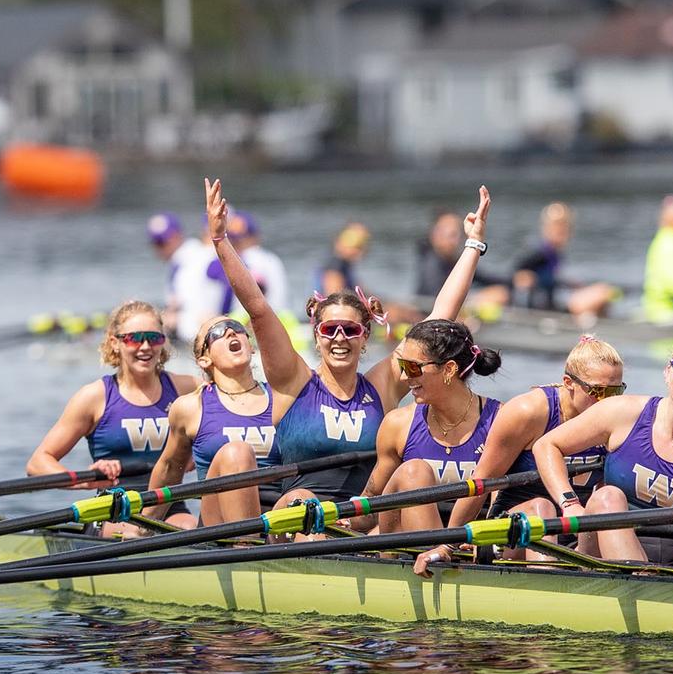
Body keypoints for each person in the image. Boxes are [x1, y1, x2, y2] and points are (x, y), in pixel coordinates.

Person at [205, 177, 490, 508]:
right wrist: (220, 238)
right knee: (302, 498)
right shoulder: (293, 380)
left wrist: (474, 244)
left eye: (351, 330)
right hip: (296, 512)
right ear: (317, 335)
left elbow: (440, 316)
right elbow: (257, 308)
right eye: (330, 330)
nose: (339, 338)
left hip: (360, 519)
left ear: (365, 336)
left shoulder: (381, 387)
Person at [412, 335, 624, 575]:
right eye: (597, 390)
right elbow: (482, 482)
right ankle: (550, 590)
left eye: (615, 391)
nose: (605, 400)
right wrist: (448, 544)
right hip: (513, 531)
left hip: (573, 534)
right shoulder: (529, 412)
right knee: (542, 508)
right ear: (568, 382)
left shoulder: (617, 418)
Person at [533, 334, 673, 564]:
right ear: (667, 372)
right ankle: (641, 580)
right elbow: (547, 445)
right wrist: (569, 503)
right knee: (608, 496)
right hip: (603, 550)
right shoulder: (622, 412)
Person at [27, 300, 199, 537]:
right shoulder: (94, 397)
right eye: (134, 338)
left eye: (154, 337)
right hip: (115, 507)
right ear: (115, 343)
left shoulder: (187, 387)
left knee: (191, 529)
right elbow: (37, 463)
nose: (146, 346)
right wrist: (84, 482)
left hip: (170, 505)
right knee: (137, 535)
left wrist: (194, 452)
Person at [354, 320, 503, 534]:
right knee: (414, 472)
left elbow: (501, 506)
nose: (404, 377)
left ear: (449, 369)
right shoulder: (398, 424)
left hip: (471, 545)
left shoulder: (500, 420)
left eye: (412, 367)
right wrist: (343, 520)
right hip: (406, 550)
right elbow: (370, 502)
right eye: (403, 366)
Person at [145, 317, 278, 529]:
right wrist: (142, 529)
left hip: (277, 519)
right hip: (218, 524)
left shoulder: (282, 399)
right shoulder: (190, 408)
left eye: (236, 328)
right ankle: (245, 548)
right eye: (218, 332)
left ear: (251, 347)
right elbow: (170, 468)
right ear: (205, 360)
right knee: (237, 453)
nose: (231, 333)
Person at [511, 202, 616, 320]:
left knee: (604, 291)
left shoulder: (555, 253)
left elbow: (554, 281)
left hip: (556, 304)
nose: (562, 231)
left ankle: (595, 330)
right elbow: (516, 274)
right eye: (557, 227)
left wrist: (569, 284)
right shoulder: (538, 253)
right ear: (547, 228)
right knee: (601, 293)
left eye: (565, 227)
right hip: (545, 310)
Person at [148, 212, 229, 342]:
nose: (160, 248)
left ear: (178, 236)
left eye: (163, 242)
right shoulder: (189, 255)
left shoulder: (198, 257)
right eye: (156, 243)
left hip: (198, 336)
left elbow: (229, 287)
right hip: (199, 333)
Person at [415, 208, 510, 308]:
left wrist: (515, 279)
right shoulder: (431, 264)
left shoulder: (452, 260)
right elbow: (436, 302)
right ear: (433, 234)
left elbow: (484, 278)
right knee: (498, 296)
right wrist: (479, 299)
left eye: (455, 233)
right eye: (448, 234)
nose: (452, 240)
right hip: (430, 314)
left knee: (499, 293)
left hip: (444, 310)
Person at [225, 210, 291, 315]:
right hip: (272, 318)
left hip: (246, 321)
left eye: (238, 240)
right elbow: (279, 301)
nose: (235, 243)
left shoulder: (242, 259)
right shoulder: (272, 260)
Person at [316, 222, 370, 295]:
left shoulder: (345, 265)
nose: (361, 252)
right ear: (341, 245)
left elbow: (362, 293)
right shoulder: (335, 267)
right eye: (357, 248)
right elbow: (333, 297)